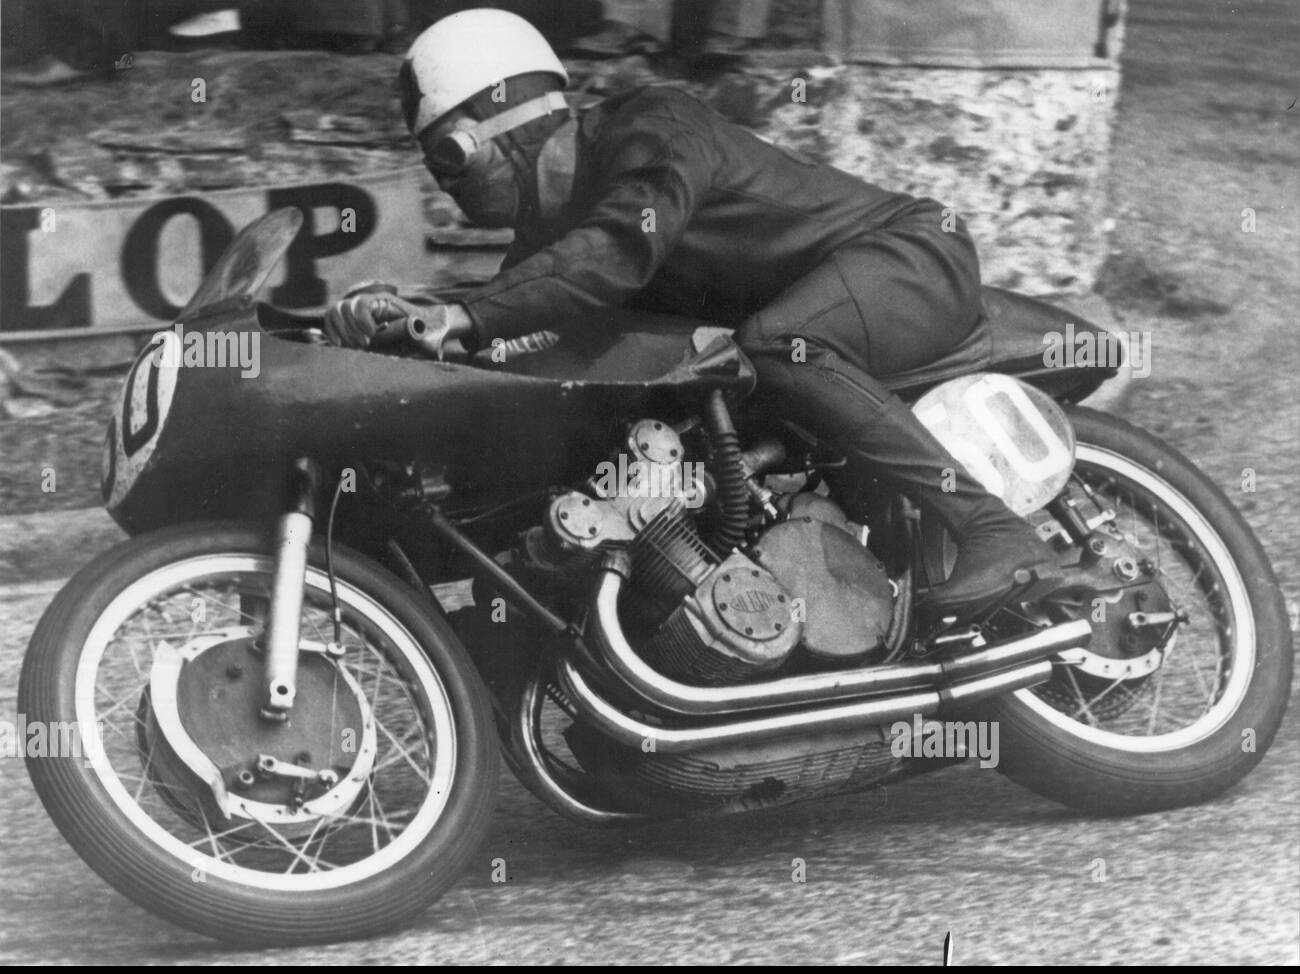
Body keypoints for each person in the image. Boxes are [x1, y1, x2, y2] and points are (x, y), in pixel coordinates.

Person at [324, 7, 1060, 619]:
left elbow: (610, 257)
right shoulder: (553, 238)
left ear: (495, 129)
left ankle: (994, 529)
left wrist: (463, 315)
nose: (441, 184)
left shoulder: (652, 127)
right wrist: (412, 316)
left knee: (776, 344)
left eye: (445, 158)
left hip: (909, 256)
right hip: (829, 315)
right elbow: (521, 314)